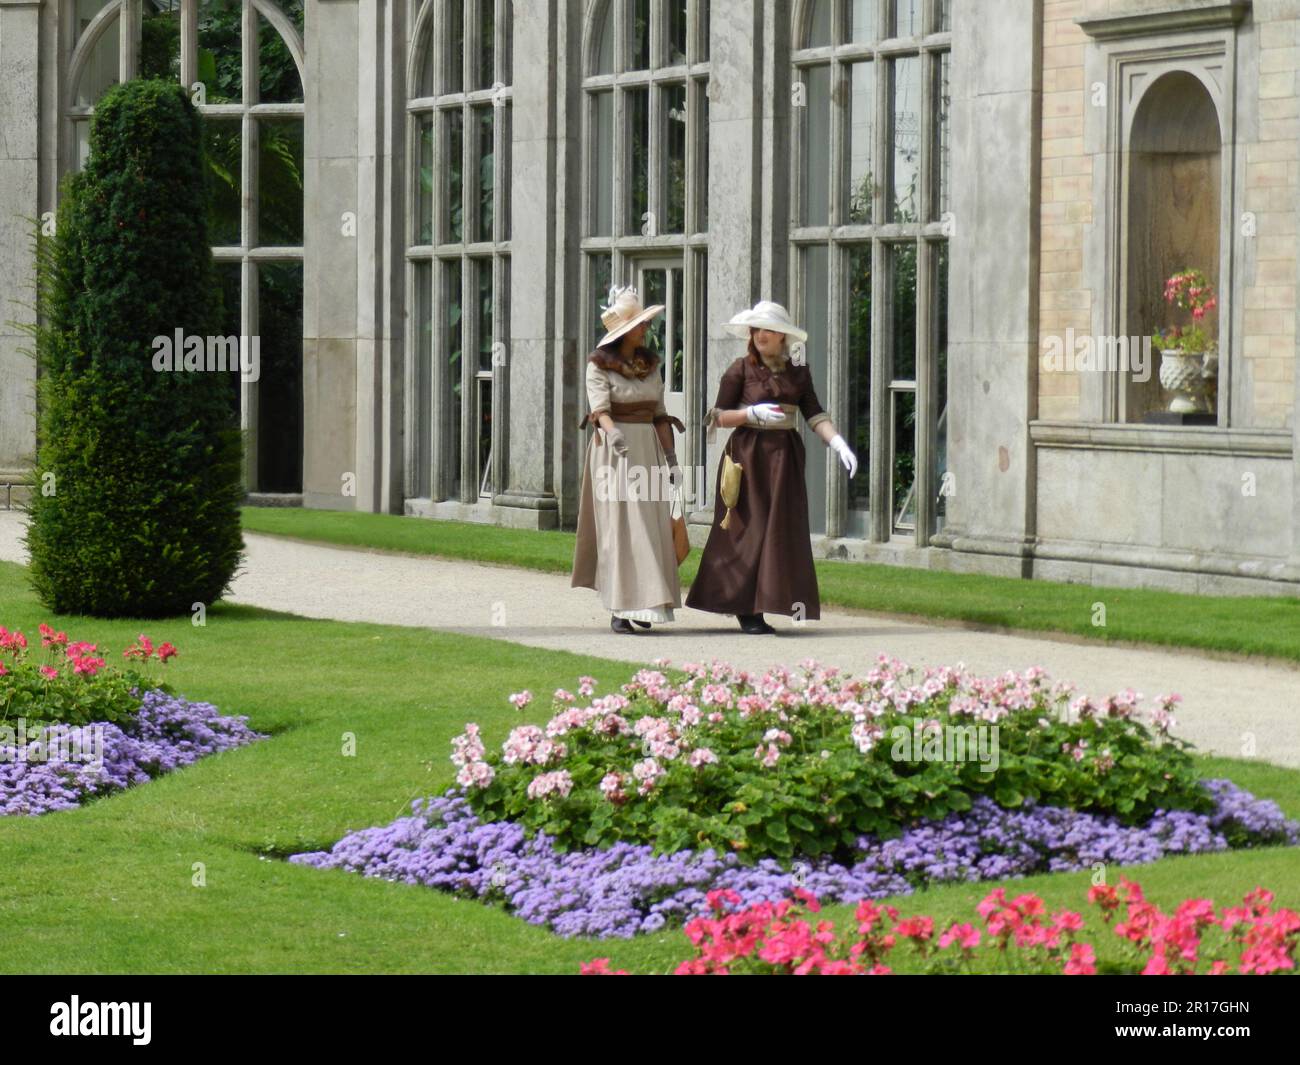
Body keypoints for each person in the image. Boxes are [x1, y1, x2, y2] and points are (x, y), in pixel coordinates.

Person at [686, 301, 858, 634]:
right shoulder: (740, 370)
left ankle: (765, 602)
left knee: (779, 531)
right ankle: (742, 607)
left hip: (785, 459)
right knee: (748, 530)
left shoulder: (799, 373)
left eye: (768, 329)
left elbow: (815, 415)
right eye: (757, 329)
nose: (761, 335)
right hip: (747, 459)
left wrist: (837, 443)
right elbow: (716, 417)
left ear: (782, 337)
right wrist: (751, 415)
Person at [571, 286, 685, 634]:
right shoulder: (598, 367)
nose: (645, 329)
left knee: (649, 527)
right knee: (622, 528)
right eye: (640, 324)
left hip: (646, 449)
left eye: (645, 324)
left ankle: (646, 604)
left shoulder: (650, 366)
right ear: (623, 330)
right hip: (613, 453)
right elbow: (599, 409)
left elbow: (660, 415)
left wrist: (671, 458)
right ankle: (621, 607)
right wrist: (612, 432)